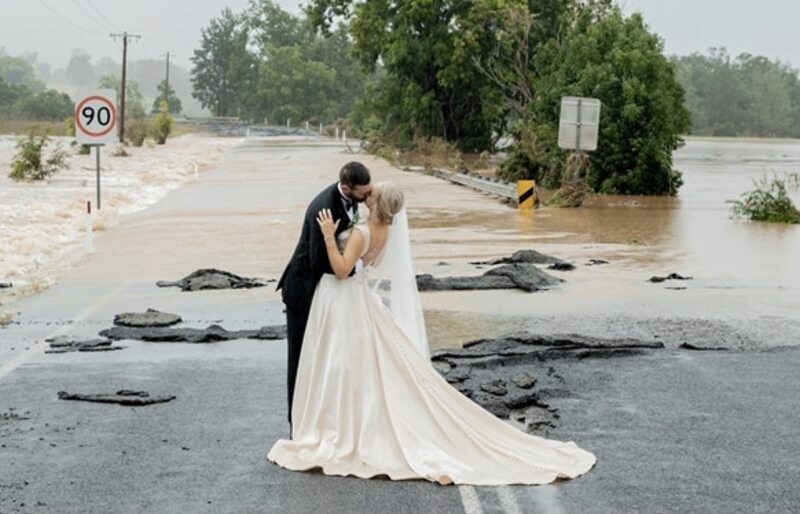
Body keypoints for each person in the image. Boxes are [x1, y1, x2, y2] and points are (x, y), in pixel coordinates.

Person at [268, 182, 596, 485]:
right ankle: (349, 418)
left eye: (371, 195)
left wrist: (327, 234)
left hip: (348, 298)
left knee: (343, 364)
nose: (366, 197)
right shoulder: (388, 228)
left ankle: (339, 425)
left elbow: (342, 270)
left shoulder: (364, 231)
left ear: (377, 203)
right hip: (361, 298)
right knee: (365, 365)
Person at [276, 162, 372, 431]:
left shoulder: (351, 198)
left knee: (324, 357)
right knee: (300, 358)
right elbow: (320, 261)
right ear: (345, 188)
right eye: (363, 194)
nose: (367, 198)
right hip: (302, 290)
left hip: (326, 291)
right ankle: (297, 423)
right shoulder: (325, 208)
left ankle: (323, 417)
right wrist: (356, 265)